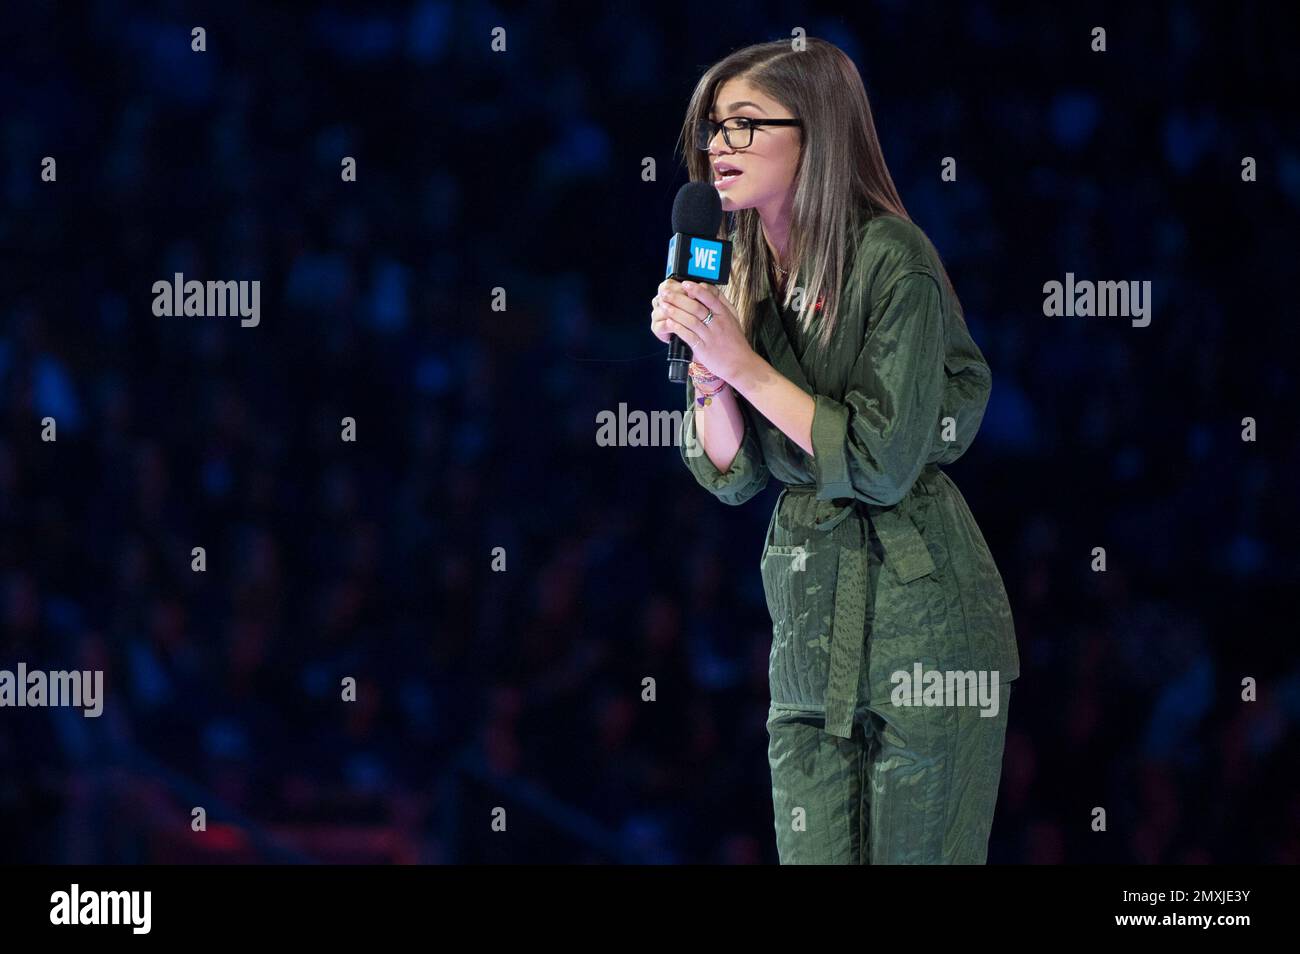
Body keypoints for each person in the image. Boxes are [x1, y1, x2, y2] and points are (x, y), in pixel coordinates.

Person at [648, 37, 1020, 864]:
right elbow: (730, 473)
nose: (719, 147)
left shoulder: (894, 260)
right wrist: (709, 374)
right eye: (712, 128)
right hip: (809, 626)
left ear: (814, 134)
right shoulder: (735, 270)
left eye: (745, 124)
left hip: (922, 630)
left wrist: (741, 362)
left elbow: (885, 460)